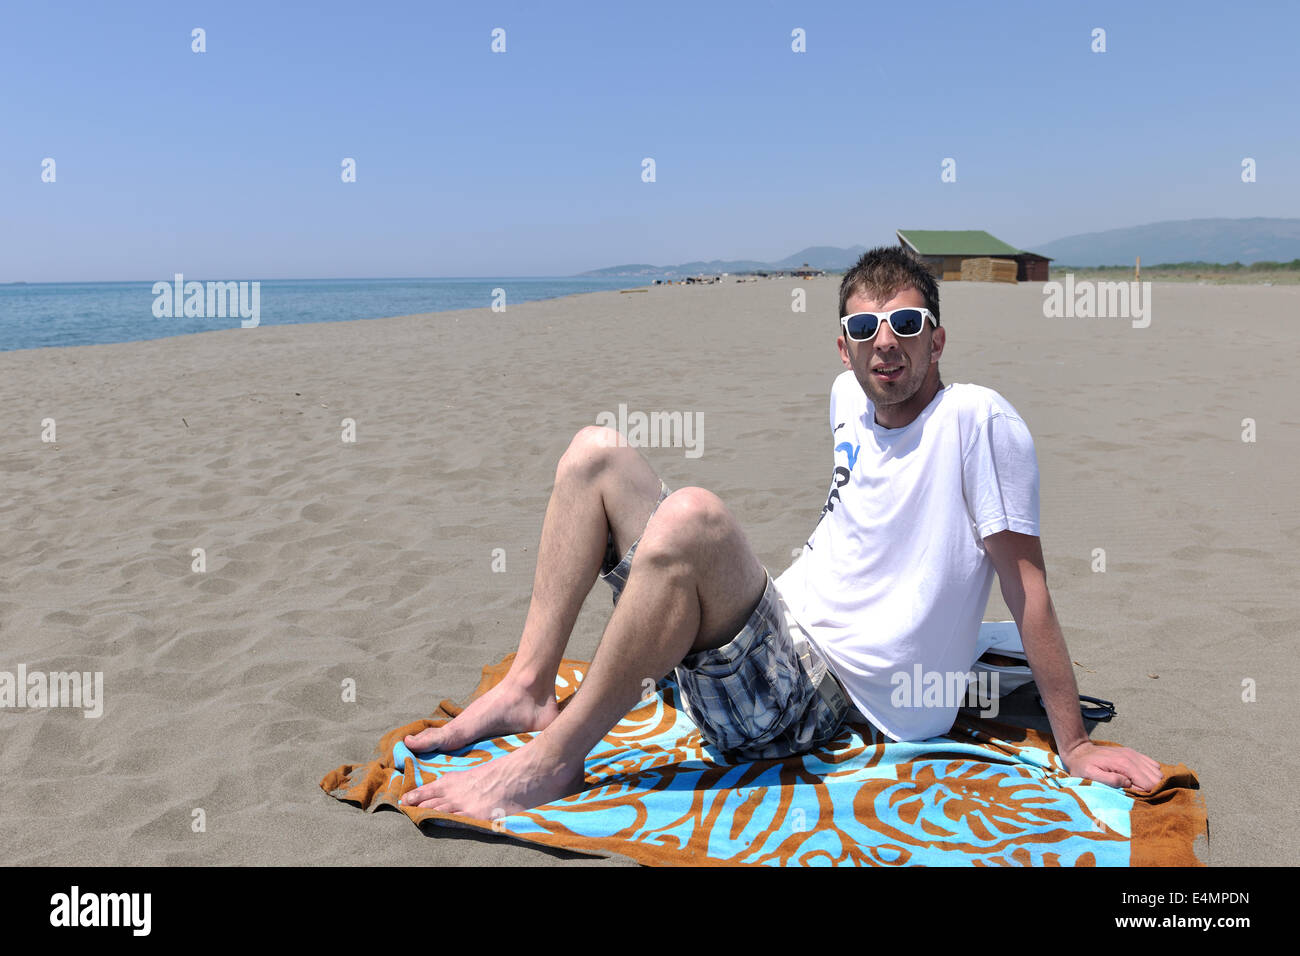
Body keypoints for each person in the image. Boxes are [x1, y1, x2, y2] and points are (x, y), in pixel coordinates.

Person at [399, 246, 1163, 818]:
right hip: (775, 638)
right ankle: (529, 690)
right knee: (593, 454)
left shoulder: (977, 422)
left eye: (905, 323)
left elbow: (1026, 585)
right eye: (864, 327)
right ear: (843, 346)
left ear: (937, 339)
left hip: (825, 698)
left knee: (694, 516)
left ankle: (553, 761)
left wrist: (1077, 743)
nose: (884, 342)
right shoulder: (846, 399)